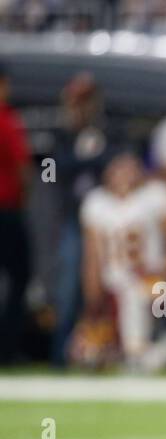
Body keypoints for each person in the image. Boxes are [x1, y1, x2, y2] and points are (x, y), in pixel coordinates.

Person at [78, 150, 166, 372]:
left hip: (151, 281)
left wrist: (161, 270)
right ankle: (160, 351)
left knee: (135, 294)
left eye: (129, 167)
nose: (124, 175)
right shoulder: (96, 203)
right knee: (85, 352)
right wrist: (93, 302)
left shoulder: (157, 195)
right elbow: (92, 258)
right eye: (118, 168)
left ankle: (138, 355)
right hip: (113, 286)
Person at [49, 73, 119, 366]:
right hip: (75, 222)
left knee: (112, 287)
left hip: (110, 223)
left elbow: (117, 166)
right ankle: (60, 354)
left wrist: (91, 158)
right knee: (68, 290)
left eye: (88, 100)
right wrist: (86, 158)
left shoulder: (110, 131)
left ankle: (111, 351)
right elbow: (51, 171)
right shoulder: (61, 135)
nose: (83, 107)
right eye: (78, 100)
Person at [0, 62, 31, 365]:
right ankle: (7, 349)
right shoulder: (7, 120)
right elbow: (24, 168)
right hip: (5, 211)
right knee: (19, 277)